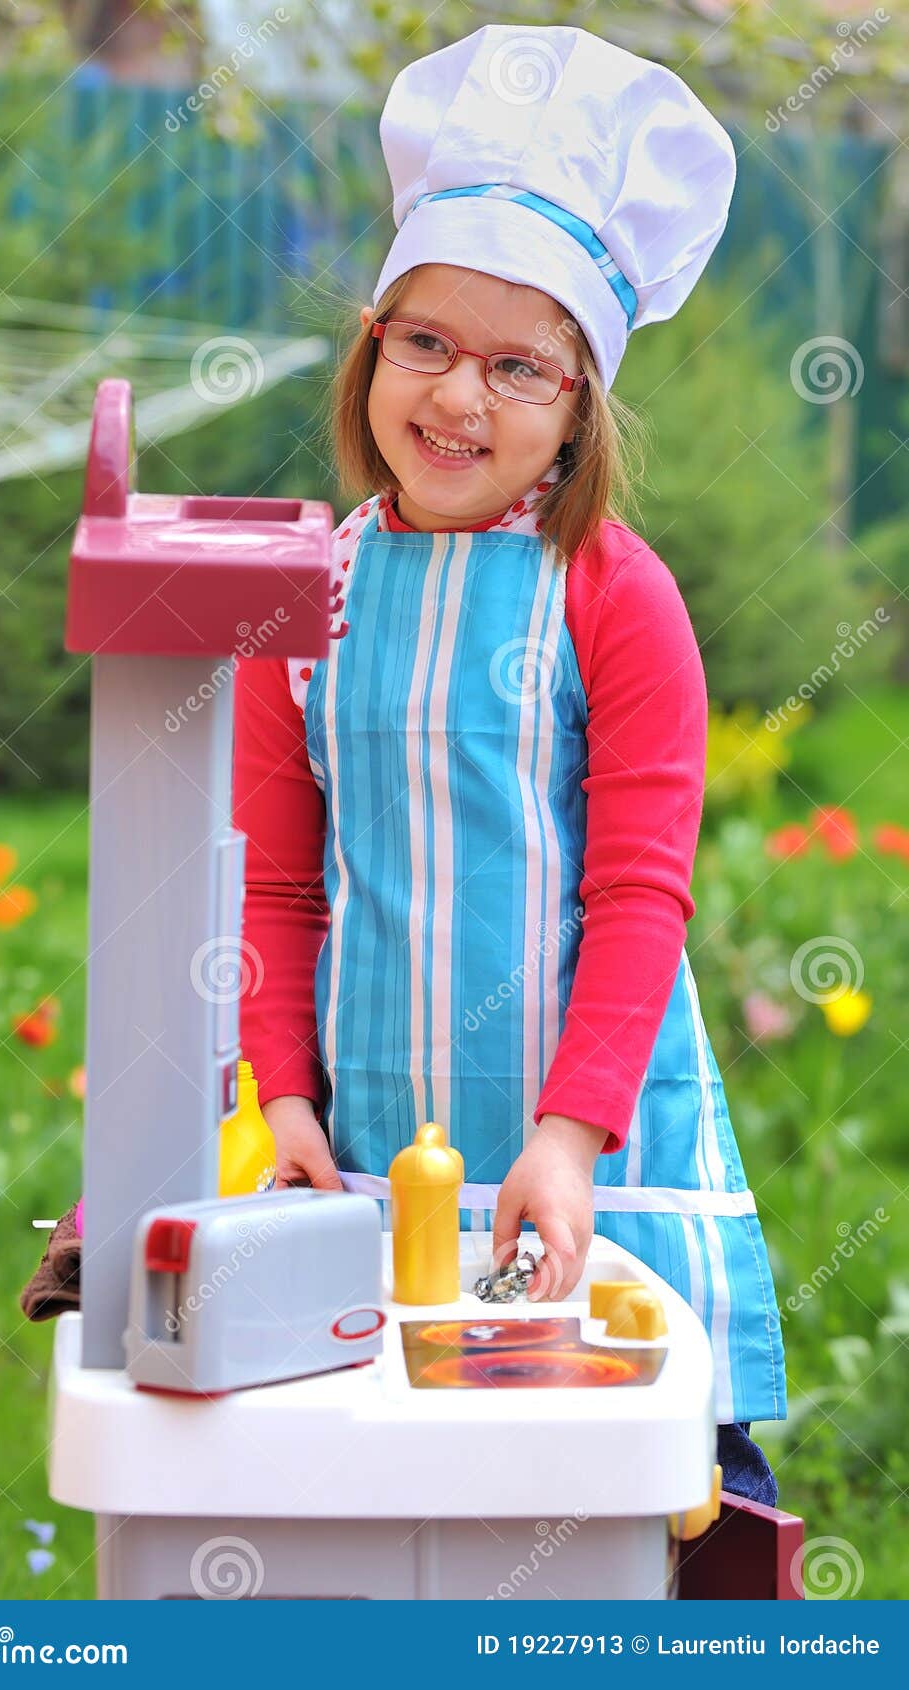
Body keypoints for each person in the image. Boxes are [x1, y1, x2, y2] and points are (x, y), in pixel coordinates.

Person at [235, 23, 786, 1505]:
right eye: (422, 341)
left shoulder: (617, 596)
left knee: (639, 1482)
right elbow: (276, 888)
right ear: (371, 346)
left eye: (517, 365)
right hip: (369, 1147)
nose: (456, 397)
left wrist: (568, 1134)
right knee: (399, 1487)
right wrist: (284, 1100)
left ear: (577, 401)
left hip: (583, 1136)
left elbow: (639, 895)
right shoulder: (302, 597)